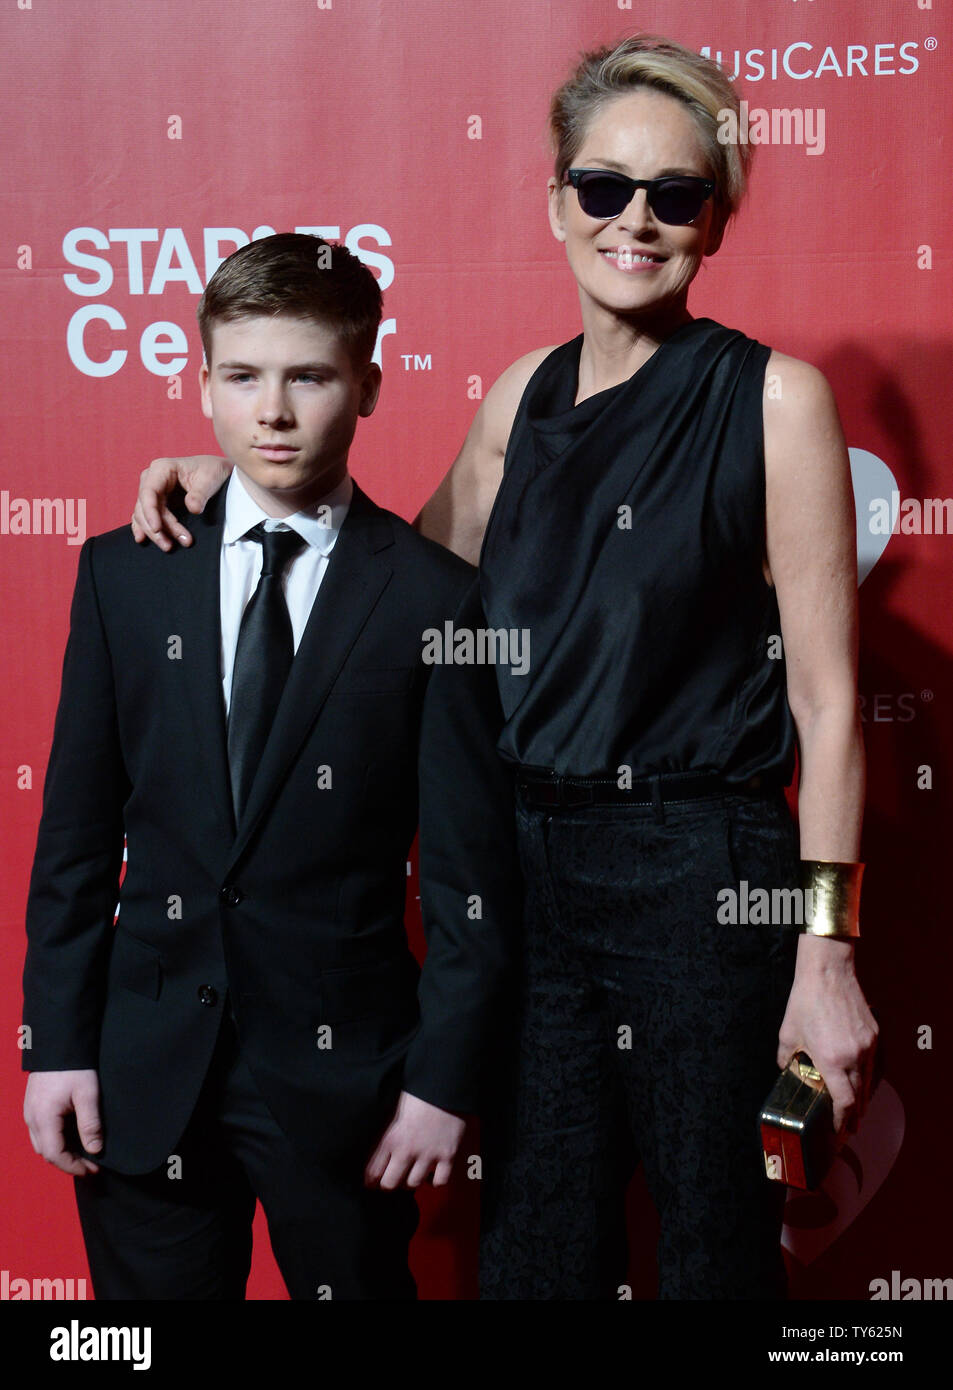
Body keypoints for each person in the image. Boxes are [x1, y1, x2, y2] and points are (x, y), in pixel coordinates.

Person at [130, 35, 878, 1300]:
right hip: (518, 878)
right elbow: (384, 583)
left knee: (712, 1246)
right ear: (555, 201)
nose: (632, 221)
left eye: (674, 196)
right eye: (602, 187)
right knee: (532, 1247)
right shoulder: (520, 397)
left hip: (699, 875)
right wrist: (250, 485)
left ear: (713, 222)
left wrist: (825, 957)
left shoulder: (770, 401)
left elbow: (828, 704)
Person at [22, 232, 518, 1300]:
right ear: (201, 384)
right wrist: (52, 1046)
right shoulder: (125, 574)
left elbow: (469, 877)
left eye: (309, 376)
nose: (274, 412)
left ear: (368, 385)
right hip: (142, 1069)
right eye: (243, 377)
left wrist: (441, 1081)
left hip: (350, 1083)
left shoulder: (434, 600)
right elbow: (72, 833)